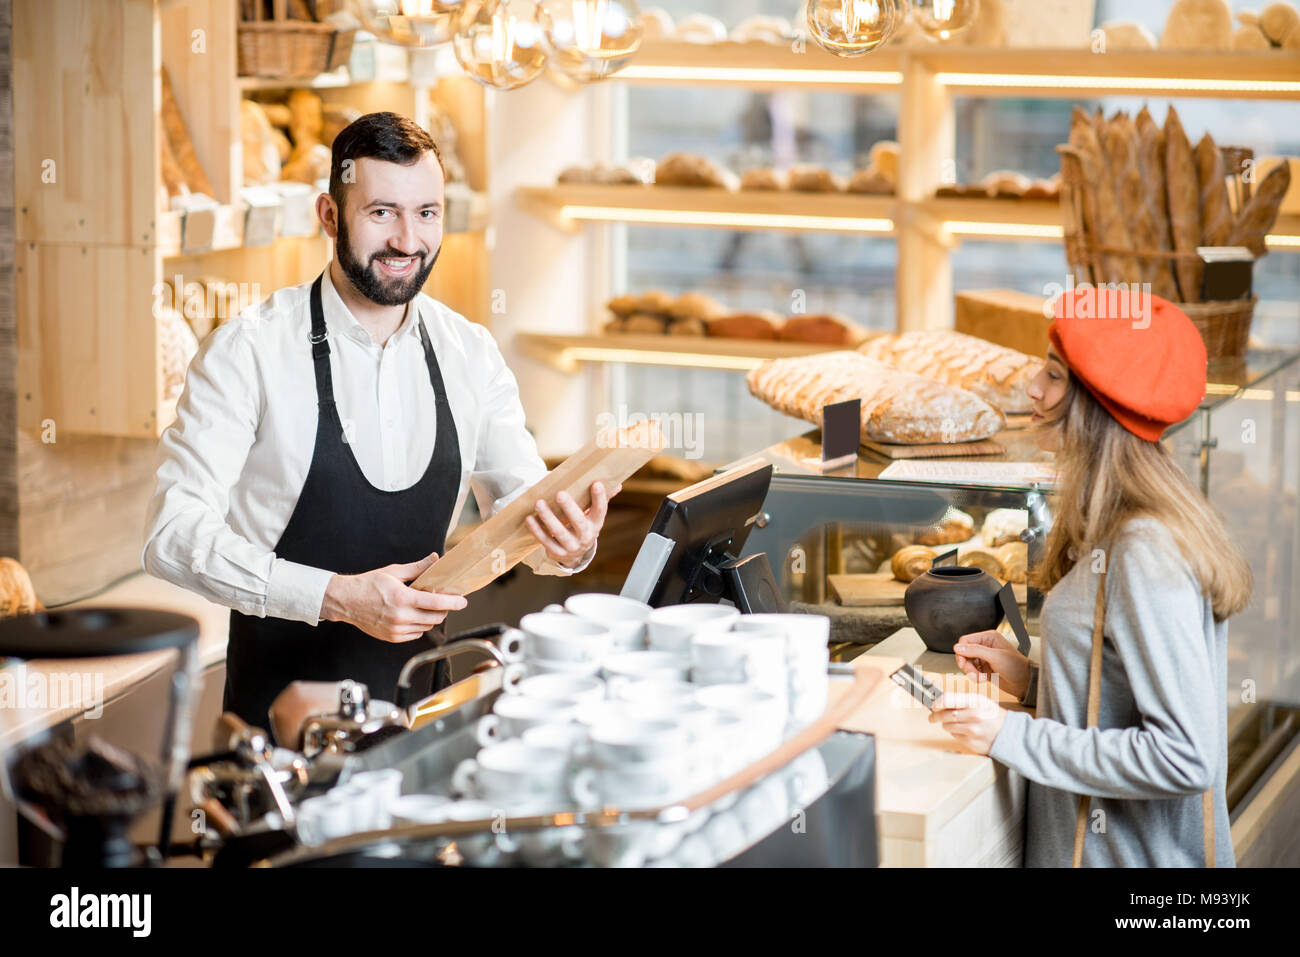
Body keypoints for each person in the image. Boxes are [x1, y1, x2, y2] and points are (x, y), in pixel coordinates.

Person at [142, 112, 619, 730]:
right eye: (381, 212)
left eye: (426, 213)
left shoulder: (468, 352)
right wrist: (336, 598)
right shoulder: (249, 351)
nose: (406, 240)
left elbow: (522, 512)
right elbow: (171, 534)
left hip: (421, 718)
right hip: (281, 736)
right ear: (329, 215)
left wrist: (568, 546)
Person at [930, 286, 1251, 867]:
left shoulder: (1144, 548)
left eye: (1054, 376)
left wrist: (1010, 735)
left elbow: (1186, 755)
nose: (1032, 386)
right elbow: (1123, 690)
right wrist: (1034, 680)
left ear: (1095, 403)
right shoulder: (1120, 520)